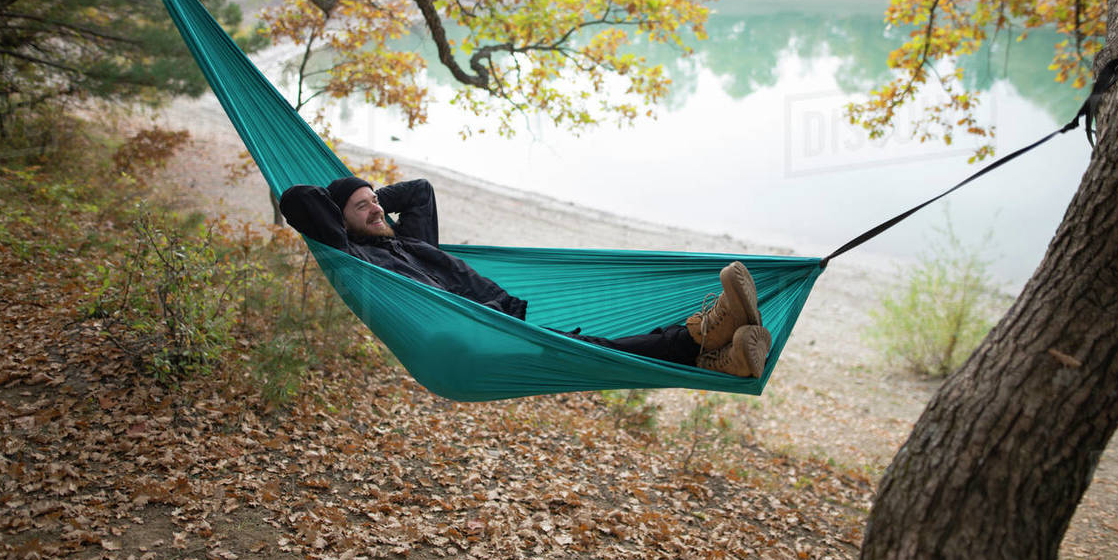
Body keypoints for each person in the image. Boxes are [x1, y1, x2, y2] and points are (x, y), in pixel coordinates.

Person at [279, 176, 772, 377]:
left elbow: (421, 192)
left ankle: (720, 355)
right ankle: (702, 332)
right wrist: (342, 204)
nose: (378, 209)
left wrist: (367, 196)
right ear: (338, 221)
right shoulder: (358, 262)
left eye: (376, 202)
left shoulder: (411, 243)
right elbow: (298, 201)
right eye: (362, 207)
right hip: (468, 339)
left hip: (491, 322)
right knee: (593, 349)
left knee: (596, 347)